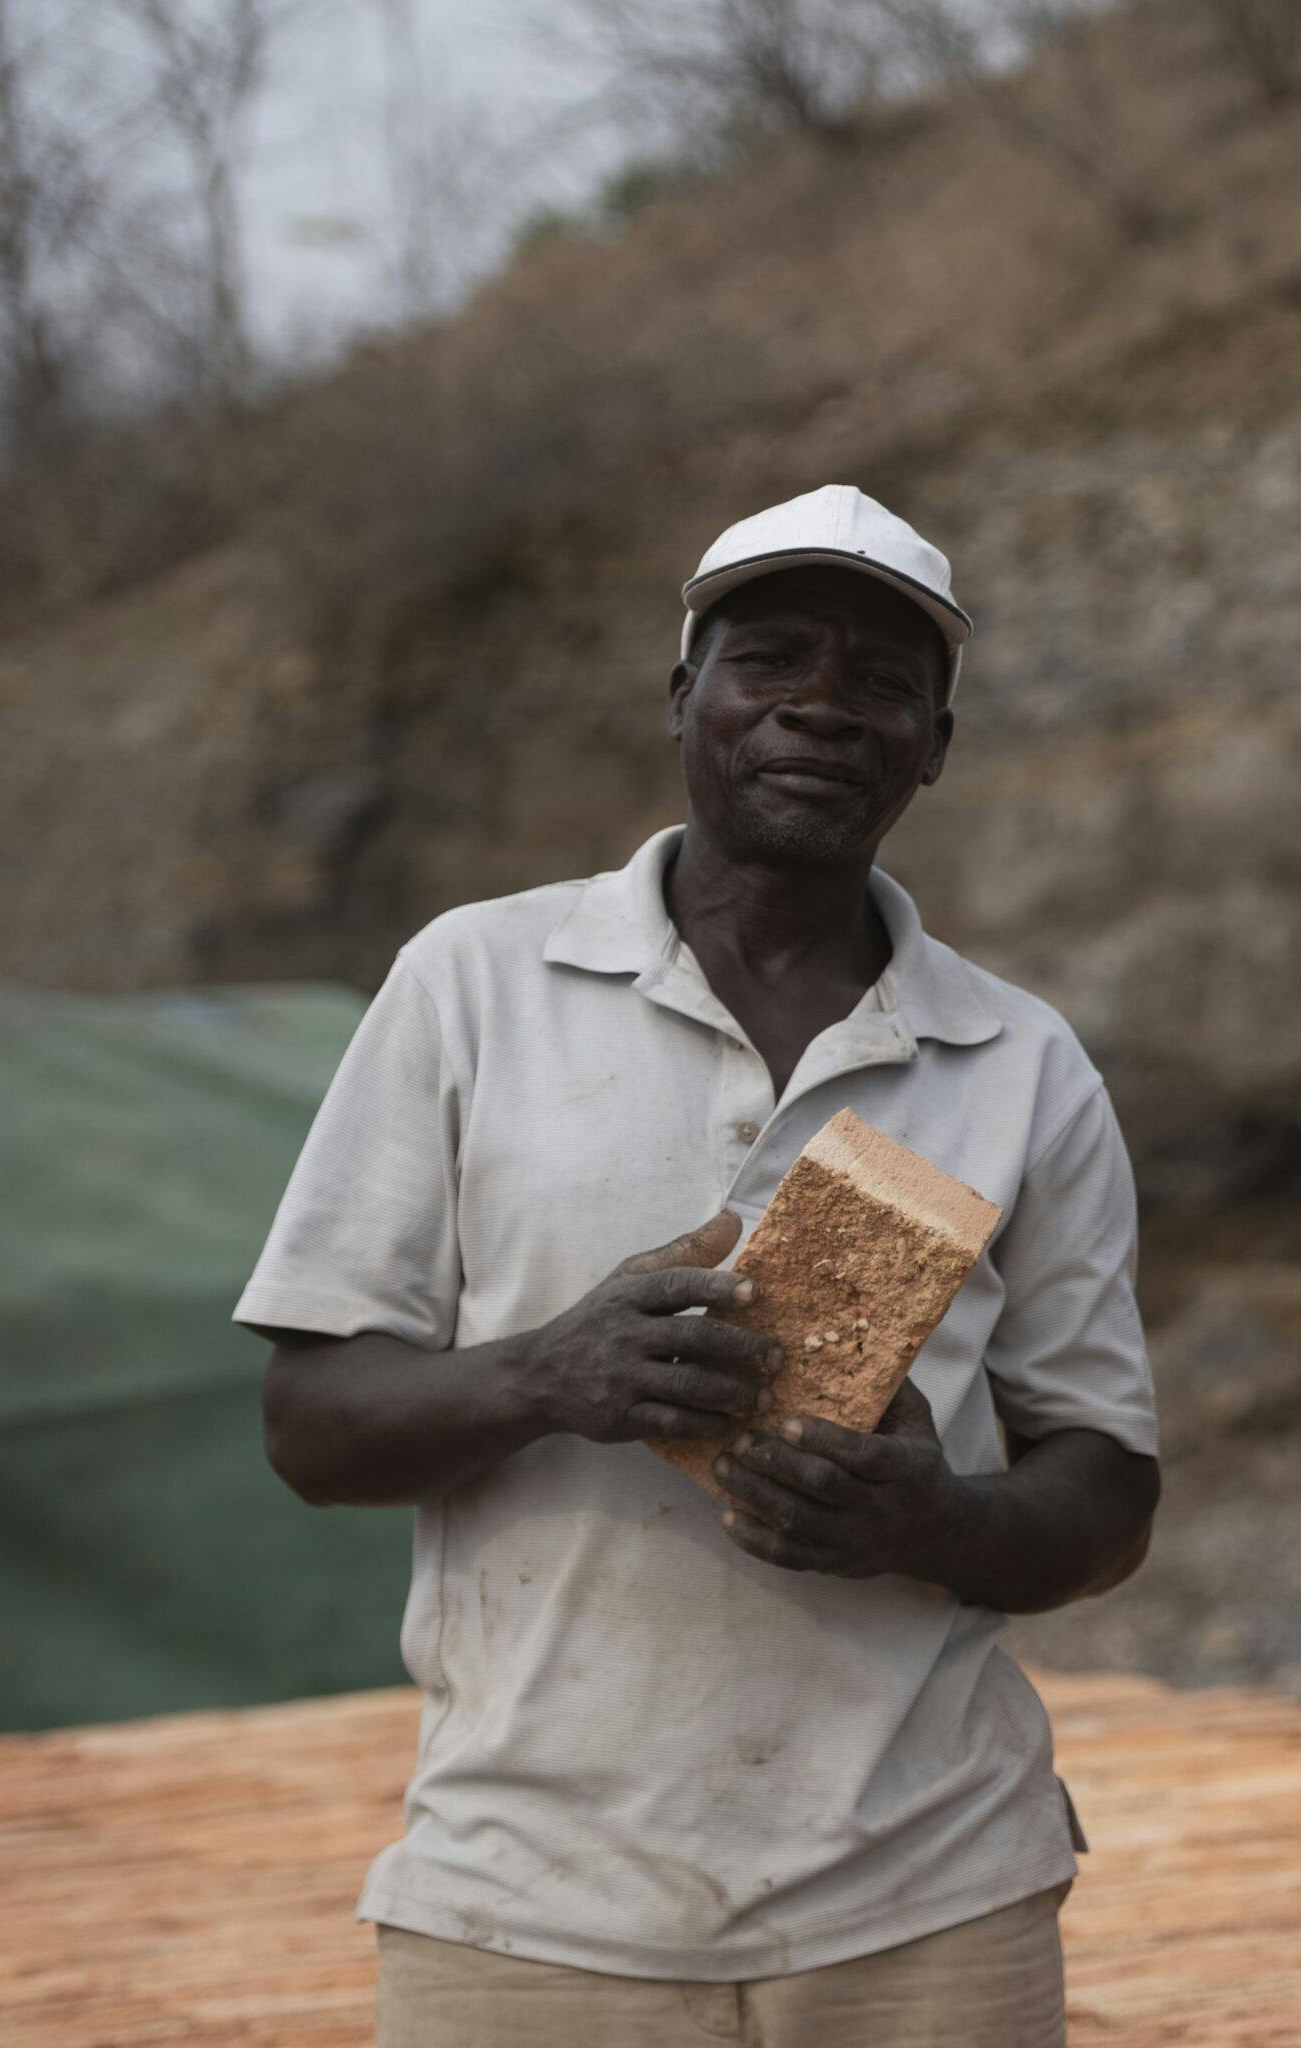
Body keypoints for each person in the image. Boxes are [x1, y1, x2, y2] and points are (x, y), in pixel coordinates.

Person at [232, 484, 1161, 2048]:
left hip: (931, 1907)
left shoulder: (1022, 1061)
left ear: (935, 744)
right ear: (685, 698)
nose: (820, 706)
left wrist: (935, 1520)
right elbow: (309, 1428)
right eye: (769, 659)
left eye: (882, 682)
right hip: (526, 1909)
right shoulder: (475, 983)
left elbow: (1109, 1491)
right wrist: (550, 1374)